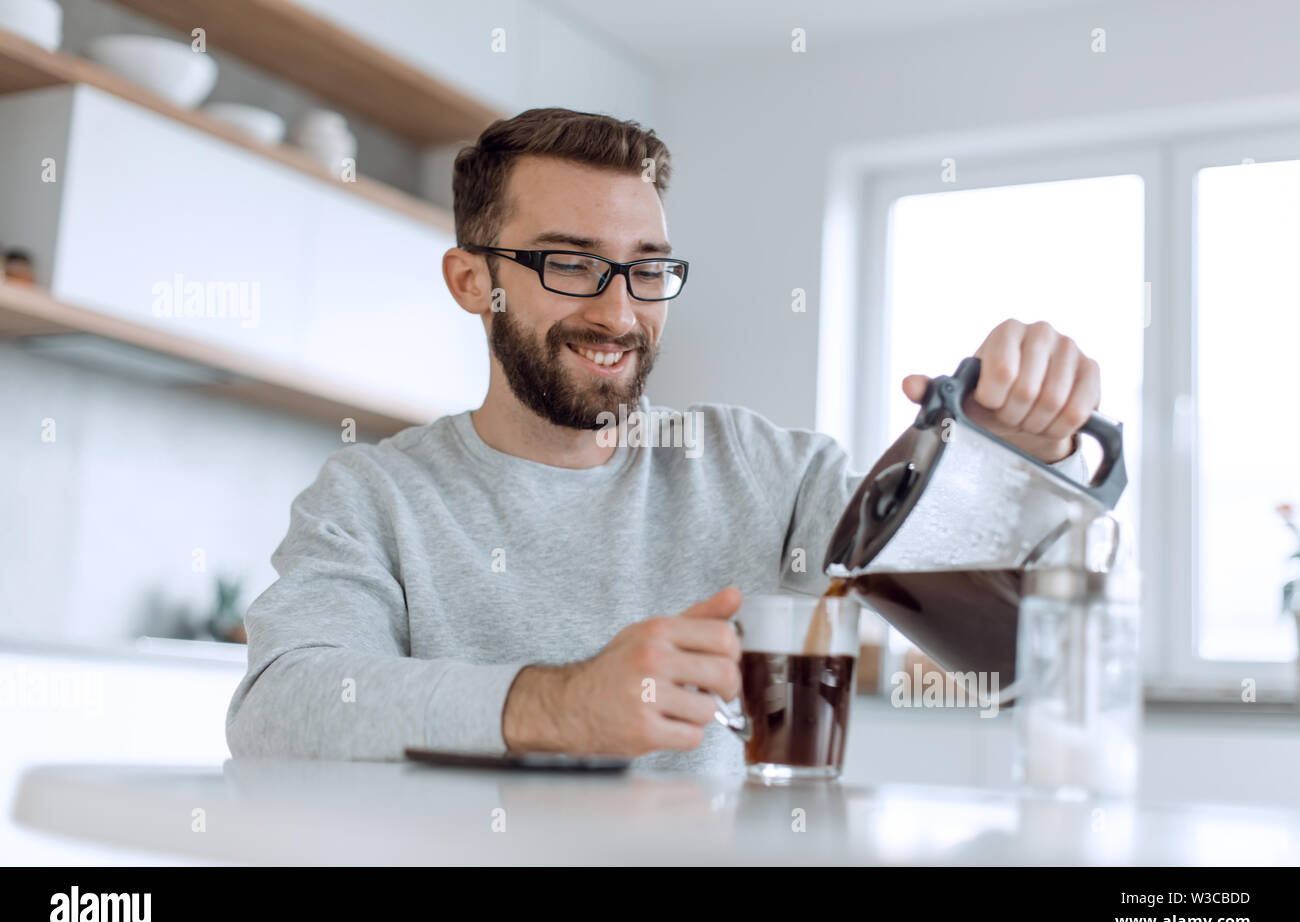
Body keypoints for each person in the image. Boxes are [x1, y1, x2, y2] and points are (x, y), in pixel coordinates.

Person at [225, 108, 1098, 773]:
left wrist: (1021, 465)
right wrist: (560, 705)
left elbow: (1027, 648)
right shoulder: (375, 496)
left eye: (648, 268)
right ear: (471, 280)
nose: (619, 311)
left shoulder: (768, 474)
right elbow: (280, 708)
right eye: (569, 264)